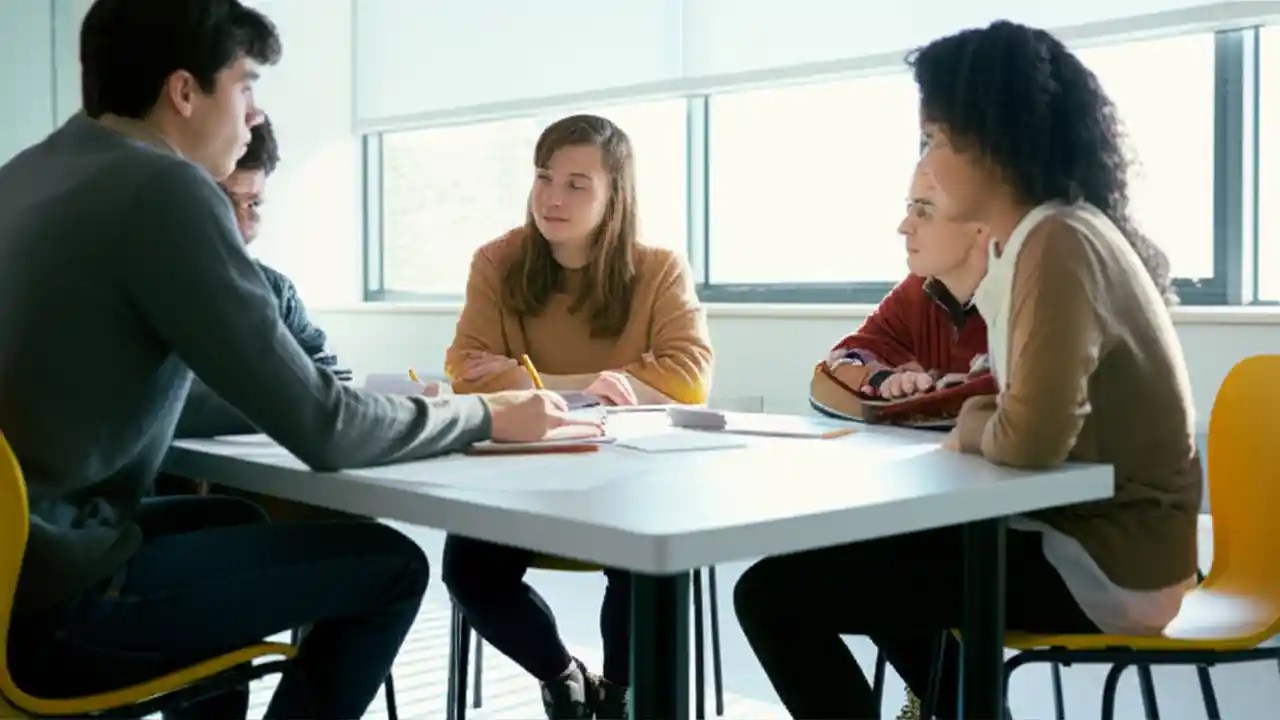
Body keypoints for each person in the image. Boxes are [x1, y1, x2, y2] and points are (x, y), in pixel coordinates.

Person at [0, 2, 589, 719]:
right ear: (184, 93)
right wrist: (485, 414)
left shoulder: (28, 175)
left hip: (18, 563)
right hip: (58, 604)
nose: (254, 116)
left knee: (236, 521)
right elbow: (324, 427)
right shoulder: (162, 188)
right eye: (245, 86)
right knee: (392, 566)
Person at [735, 19, 1202, 719]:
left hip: (1107, 566)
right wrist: (991, 417)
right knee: (874, 554)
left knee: (770, 596)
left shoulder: (1057, 241)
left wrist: (980, 418)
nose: (925, 162)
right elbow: (1025, 425)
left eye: (936, 139)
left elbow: (1031, 439)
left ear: (991, 142)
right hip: (1096, 539)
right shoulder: (1051, 236)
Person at [442, 113, 714, 719]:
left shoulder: (659, 267)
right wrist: (604, 386)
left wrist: (527, 382)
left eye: (576, 183)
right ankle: (563, 678)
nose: (552, 198)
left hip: (628, 478)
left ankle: (620, 696)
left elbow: (689, 375)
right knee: (468, 567)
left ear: (615, 195)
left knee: (644, 563)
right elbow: (465, 366)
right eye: (543, 177)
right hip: (522, 475)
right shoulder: (497, 261)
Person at [176, 115, 349, 439]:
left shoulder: (275, 291)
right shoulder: (147, 281)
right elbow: (172, 407)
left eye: (253, 203)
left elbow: (324, 377)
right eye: (223, 200)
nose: (242, 226)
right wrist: (287, 404)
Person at [812, 161, 994, 409]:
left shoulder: (1034, 296)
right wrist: (883, 379)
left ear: (981, 227)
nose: (904, 227)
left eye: (924, 211)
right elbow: (835, 367)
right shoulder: (921, 290)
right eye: (910, 208)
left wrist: (942, 392)